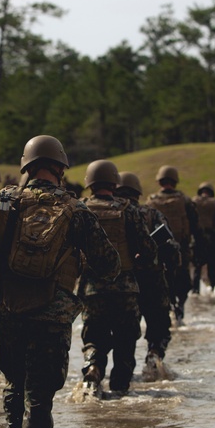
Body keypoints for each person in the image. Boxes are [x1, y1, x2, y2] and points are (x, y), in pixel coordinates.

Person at [0, 135, 119, 428]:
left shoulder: (5, 201)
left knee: (13, 385)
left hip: (7, 312)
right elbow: (109, 262)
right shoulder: (75, 209)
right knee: (40, 395)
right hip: (52, 316)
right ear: (60, 168)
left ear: (27, 166)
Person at [78, 161, 157, 397]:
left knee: (93, 337)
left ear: (89, 183)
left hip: (91, 289)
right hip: (125, 290)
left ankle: (93, 366)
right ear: (114, 182)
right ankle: (121, 393)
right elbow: (148, 248)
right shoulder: (128, 210)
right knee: (125, 344)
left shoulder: (81, 209)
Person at [115, 172, 178, 381]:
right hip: (153, 281)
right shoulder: (152, 214)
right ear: (138, 192)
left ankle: (116, 374)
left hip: (121, 284)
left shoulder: (113, 214)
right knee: (159, 328)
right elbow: (171, 247)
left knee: (124, 333)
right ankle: (153, 357)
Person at [145, 165, 196, 324]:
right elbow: (194, 223)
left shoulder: (151, 201)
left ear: (159, 181)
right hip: (181, 249)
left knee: (161, 282)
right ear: (175, 181)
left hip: (158, 251)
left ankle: (167, 309)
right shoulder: (185, 200)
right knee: (183, 282)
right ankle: (179, 309)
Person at [192, 181, 215, 295]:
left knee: (197, 269)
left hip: (197, 240)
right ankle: (213, 290)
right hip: (211, 240)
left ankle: (195, 292)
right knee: (212, 269)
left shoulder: (194, 203)